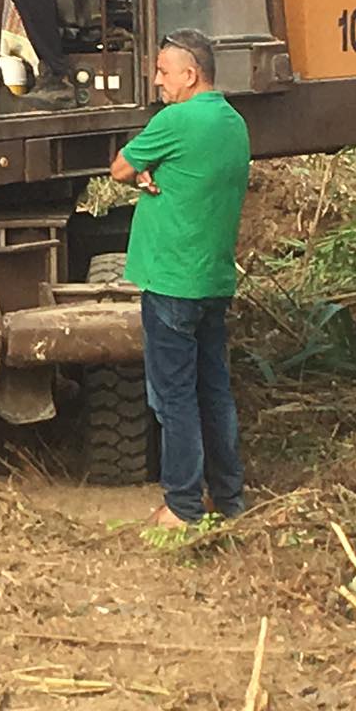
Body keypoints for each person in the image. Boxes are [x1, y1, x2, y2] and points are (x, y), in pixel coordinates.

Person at [109, 29, 250, 529]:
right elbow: (194, 175)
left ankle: (183, 506)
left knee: (174, 396)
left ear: (190, 75)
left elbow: (120, 168)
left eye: (164, 72)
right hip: (212, 277)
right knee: (214, 390)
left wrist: (144, 173)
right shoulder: (232, 122)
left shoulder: (177, 120)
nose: (157, 81)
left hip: (172, 279)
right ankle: (229, 498)